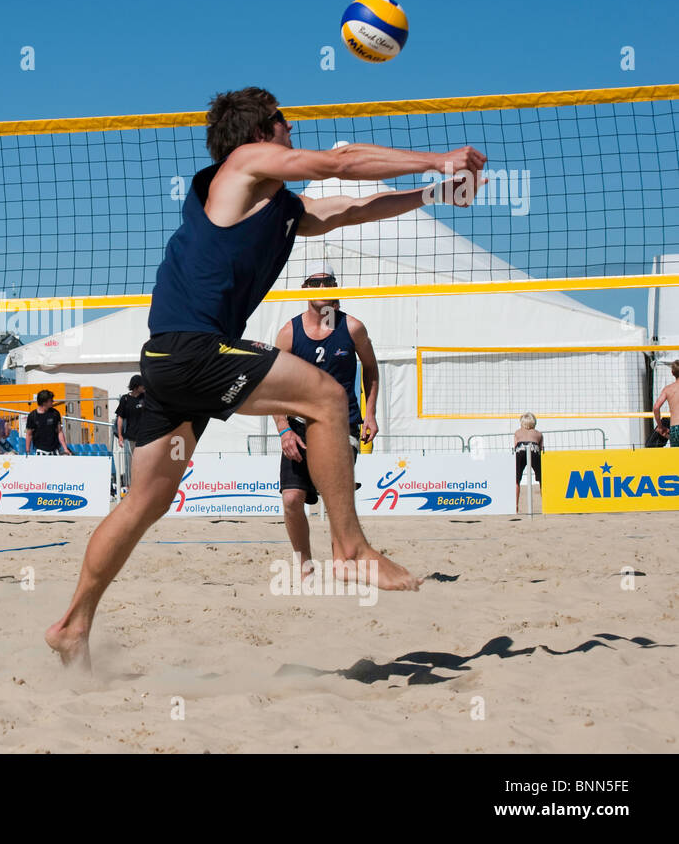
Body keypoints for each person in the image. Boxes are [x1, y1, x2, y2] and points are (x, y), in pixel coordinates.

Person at [46, 86, 484, 667]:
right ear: (261, 132)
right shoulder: (243, 163)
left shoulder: (276, 207)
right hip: (196, 349)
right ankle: (351, 549)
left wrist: (433, 192)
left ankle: (72, 624)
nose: (291, 129)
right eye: (284, 121)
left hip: (166, 361)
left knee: (143, 504)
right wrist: (437, 158)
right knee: (329, 397)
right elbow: (341, 163)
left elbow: (350, 207)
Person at [273, 263, 381, 574]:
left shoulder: (352, 328)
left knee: (337, 501)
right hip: (299, 424)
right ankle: (304, 564)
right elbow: (273, 383)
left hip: (339, 424)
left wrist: (370, 413)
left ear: (336, 287)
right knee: (292, 498)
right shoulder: (289, 332)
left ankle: (341, 564)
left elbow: (371, 370)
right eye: (315, 283)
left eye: (328, 282)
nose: (322, 287)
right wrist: (283, 430)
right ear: (304, 290)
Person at [114, 375, 146, 491]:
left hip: (145, 437)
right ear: (136, 386)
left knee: (145, 463)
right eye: (143, 385)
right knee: (132, 464)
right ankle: (133, 489)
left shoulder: (146, 397)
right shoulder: (125, 399)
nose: (145, 387)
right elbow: (120, 418)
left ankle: (144, 488)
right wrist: (120, 436)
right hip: (131, 437)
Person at [25, 390, 71, 456]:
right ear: (44, 402)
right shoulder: (32, 416)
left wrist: (65, 448)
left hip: (54, 450)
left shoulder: (55, 413)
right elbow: (29, 434)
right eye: (51, 400)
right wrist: (27, 451)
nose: (53, 401)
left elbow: (60, 432)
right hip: (40, 451)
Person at [651, 361, 679, 446]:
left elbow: (656, 407)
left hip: (675, 427)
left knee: (675, 457)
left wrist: (660, 426)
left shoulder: (668, 389)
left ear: (672, 373)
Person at [514, 412, 544, 488]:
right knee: (542, 479)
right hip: (534, 448)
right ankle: (544, 499)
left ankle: (516, 500)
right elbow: (541, 449)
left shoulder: (517, 432)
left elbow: (515, 447)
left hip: (520, 448)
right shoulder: (539, 433)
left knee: (517, 480)